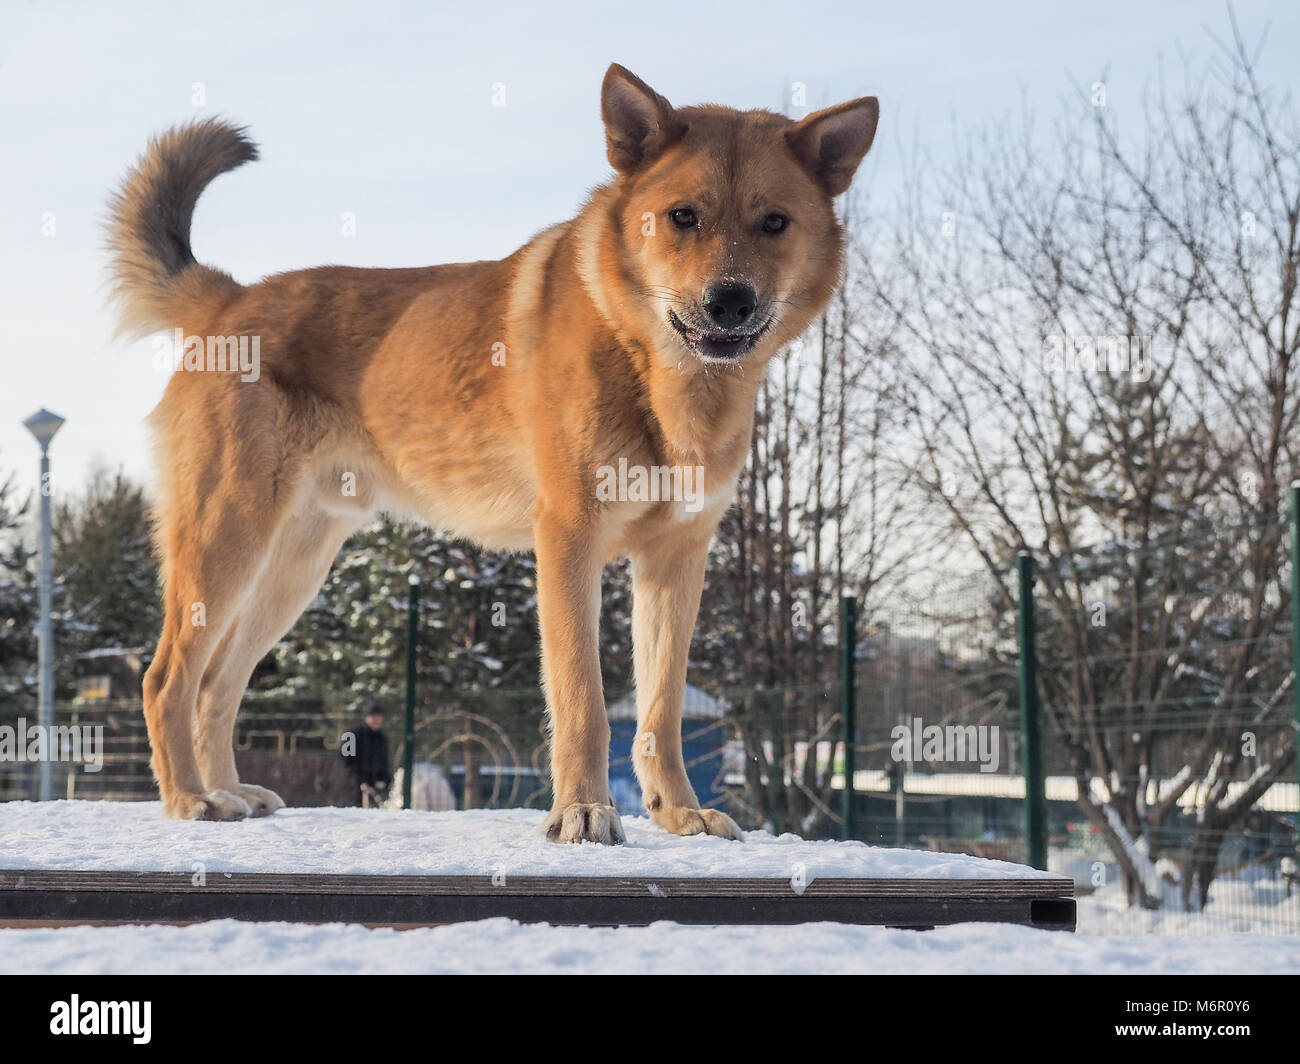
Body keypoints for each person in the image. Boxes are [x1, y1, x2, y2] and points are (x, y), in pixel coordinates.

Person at [339, 704, 392, 807]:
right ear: (366, 717)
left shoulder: (382, 738)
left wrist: (384, 779)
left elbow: (384, 762)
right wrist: (354, 777)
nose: (376, 719)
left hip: (376, 786)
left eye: (378, 716)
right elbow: (344, 761)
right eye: (373, 716)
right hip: (353, 786)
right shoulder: (352, 735)